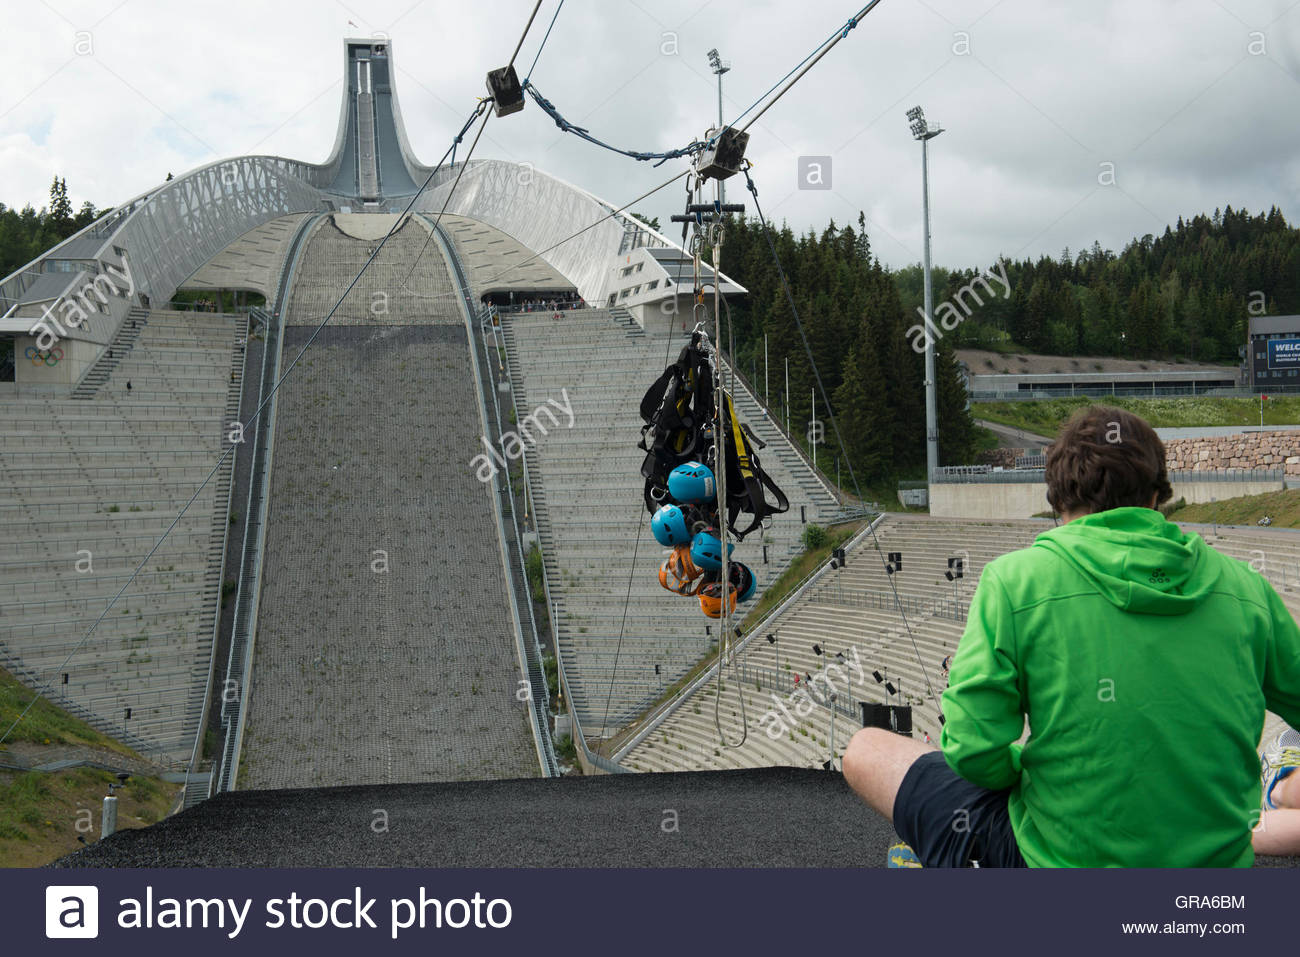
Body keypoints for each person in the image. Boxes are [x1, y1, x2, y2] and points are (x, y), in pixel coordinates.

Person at [842, 405, 1300, 867]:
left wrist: (1028, 769)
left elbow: (974, 751)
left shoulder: (1016, 580)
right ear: (1159, 495)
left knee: (867, 750)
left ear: (1058, 502)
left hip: (1057, 862)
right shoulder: (1248, 590)